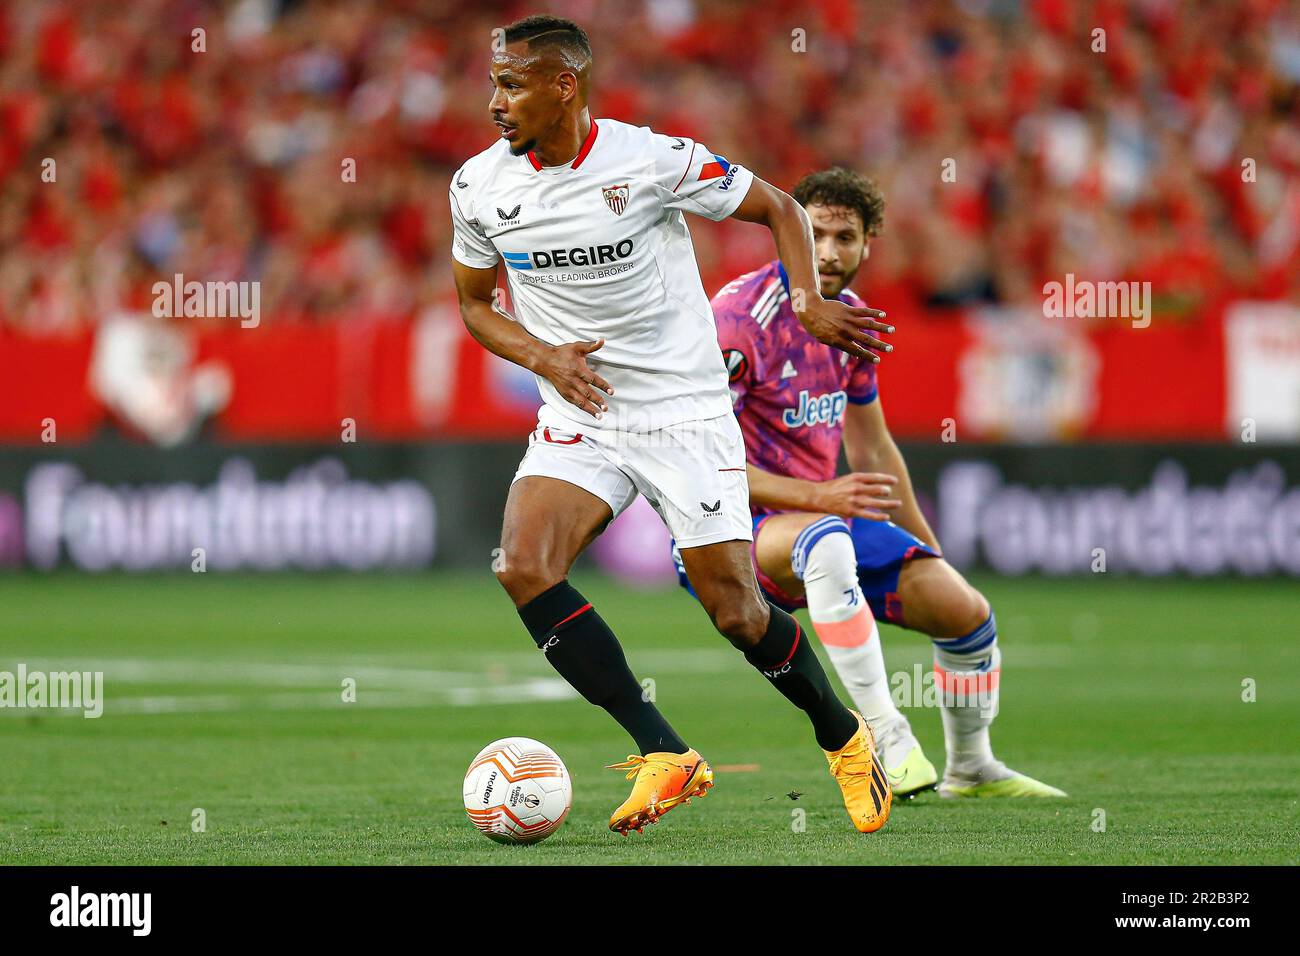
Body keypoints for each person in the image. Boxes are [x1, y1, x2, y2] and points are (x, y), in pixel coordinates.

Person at [449, 17, 900, 834]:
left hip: (685, 413)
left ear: (564, 86)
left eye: (511, 84)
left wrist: (806, 299)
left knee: (738, 613)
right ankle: (665, 751)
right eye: (493, 82)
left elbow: (779, 206)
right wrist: (545, 357)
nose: (494, 102)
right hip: (581, 405)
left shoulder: (651, 161)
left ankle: (843, 735)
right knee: (523, 564)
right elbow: (476, 305)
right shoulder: (478, 186)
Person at [683, 167, 1065, 798]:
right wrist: (819, 497)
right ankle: (884, 737)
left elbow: (872, 447)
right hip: (725, 527)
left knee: (965, 612)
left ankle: (971, 767)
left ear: (868, 246)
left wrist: (927, 547)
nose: (828, 253)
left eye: (845, 237)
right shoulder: (738, 321)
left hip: (815, 518)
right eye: (814, 234)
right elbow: (699, 466)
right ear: (788, 237)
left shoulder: (852, 320)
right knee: (828, 538)